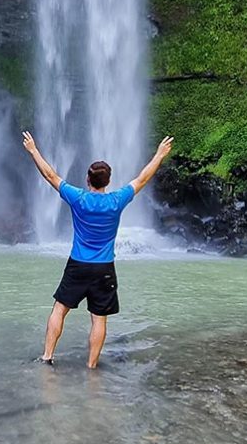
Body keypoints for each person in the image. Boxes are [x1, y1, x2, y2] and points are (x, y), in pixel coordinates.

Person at [22, 129, 174, 369]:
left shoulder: (78, 198)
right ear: (108, 182)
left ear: (87, 179)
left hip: (78, 265)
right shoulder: (117, 200)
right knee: (99, 319)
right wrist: (159, 155)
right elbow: (143, 179)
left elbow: (51, 176)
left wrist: (33, 151)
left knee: (59, 310)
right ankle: (91, 366)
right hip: (104, 268)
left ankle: (47, 356)